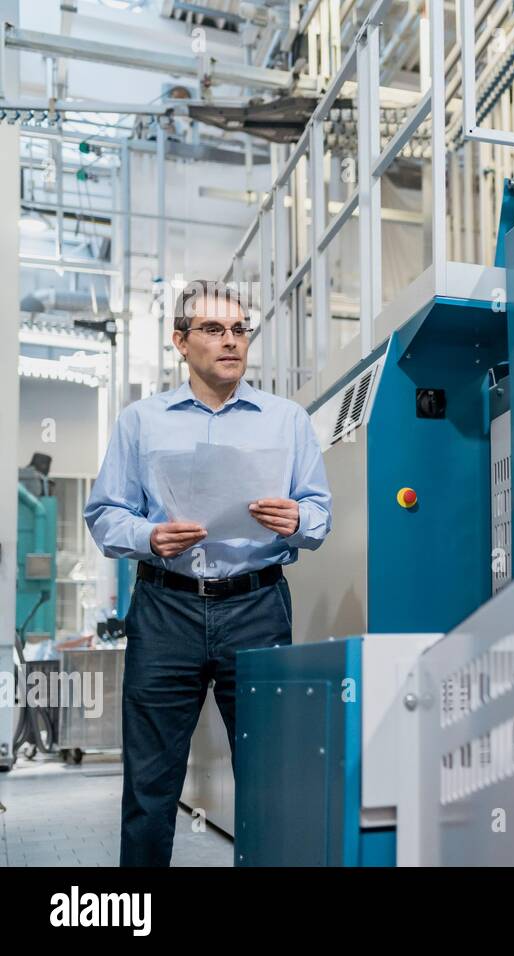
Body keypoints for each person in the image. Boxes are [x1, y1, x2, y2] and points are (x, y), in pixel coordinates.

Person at [84, 279, 332, 866]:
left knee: (271, 777)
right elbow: (104, 514)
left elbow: (319, 515)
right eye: (214, 330)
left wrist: (297, 518)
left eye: (240, 329)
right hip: (166, 608)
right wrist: (149, 536)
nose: (231, 341)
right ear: (180, 341)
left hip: (257, 606)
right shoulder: (141, 422)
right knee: (150, 785)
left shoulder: (287, 420)